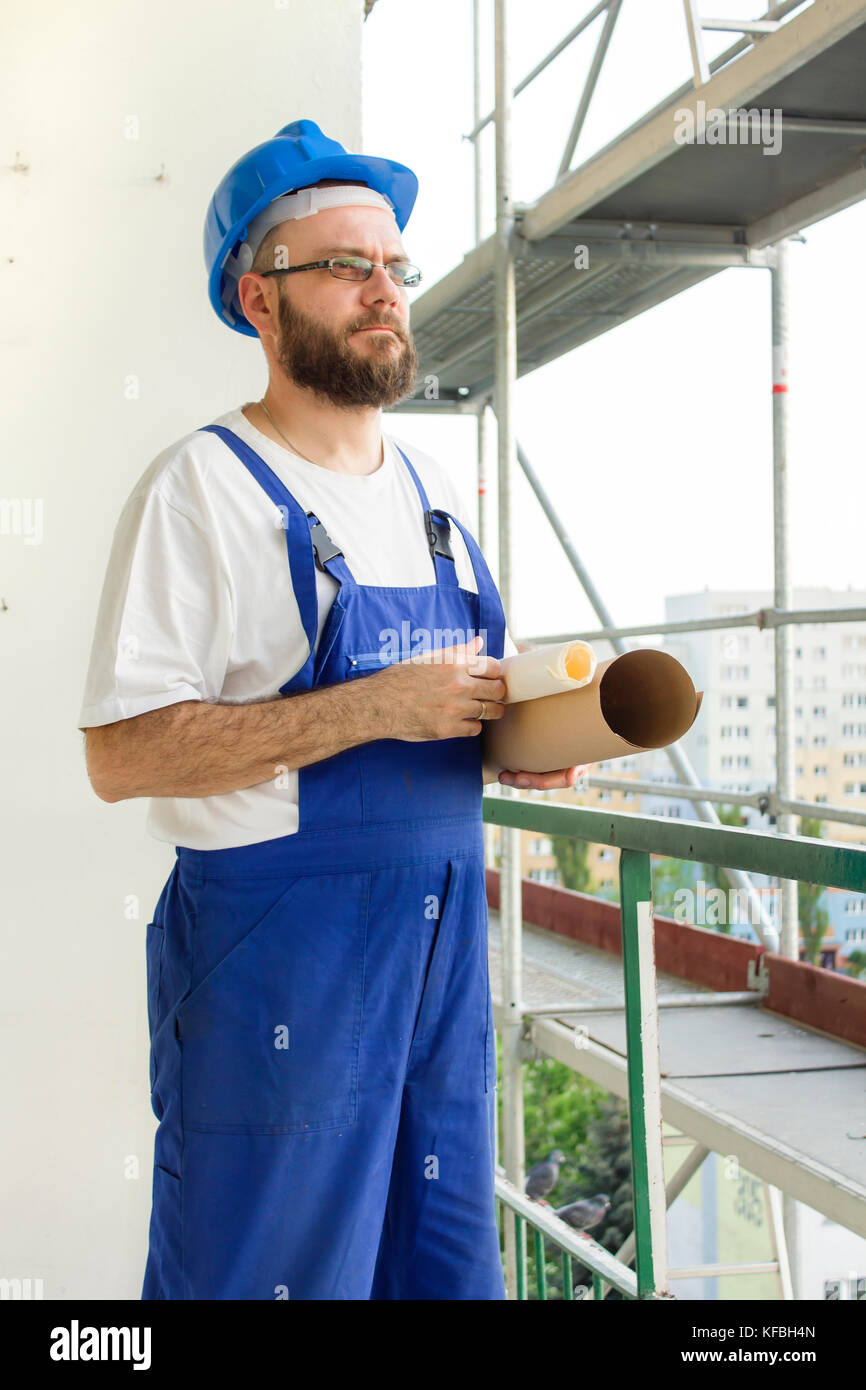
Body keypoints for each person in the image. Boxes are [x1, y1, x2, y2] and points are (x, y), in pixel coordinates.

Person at [78, 119, 583, 1300]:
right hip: (277, 968)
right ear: (260, 298)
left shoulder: (429, 488)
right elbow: (119, 755)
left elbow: (448, 706)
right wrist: (373, 707)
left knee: (443, 1269)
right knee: (268, 1273)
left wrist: (522, 743)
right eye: (346, 266)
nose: (384, 292)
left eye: (394, 268)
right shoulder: (199, 487)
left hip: (438, 953)